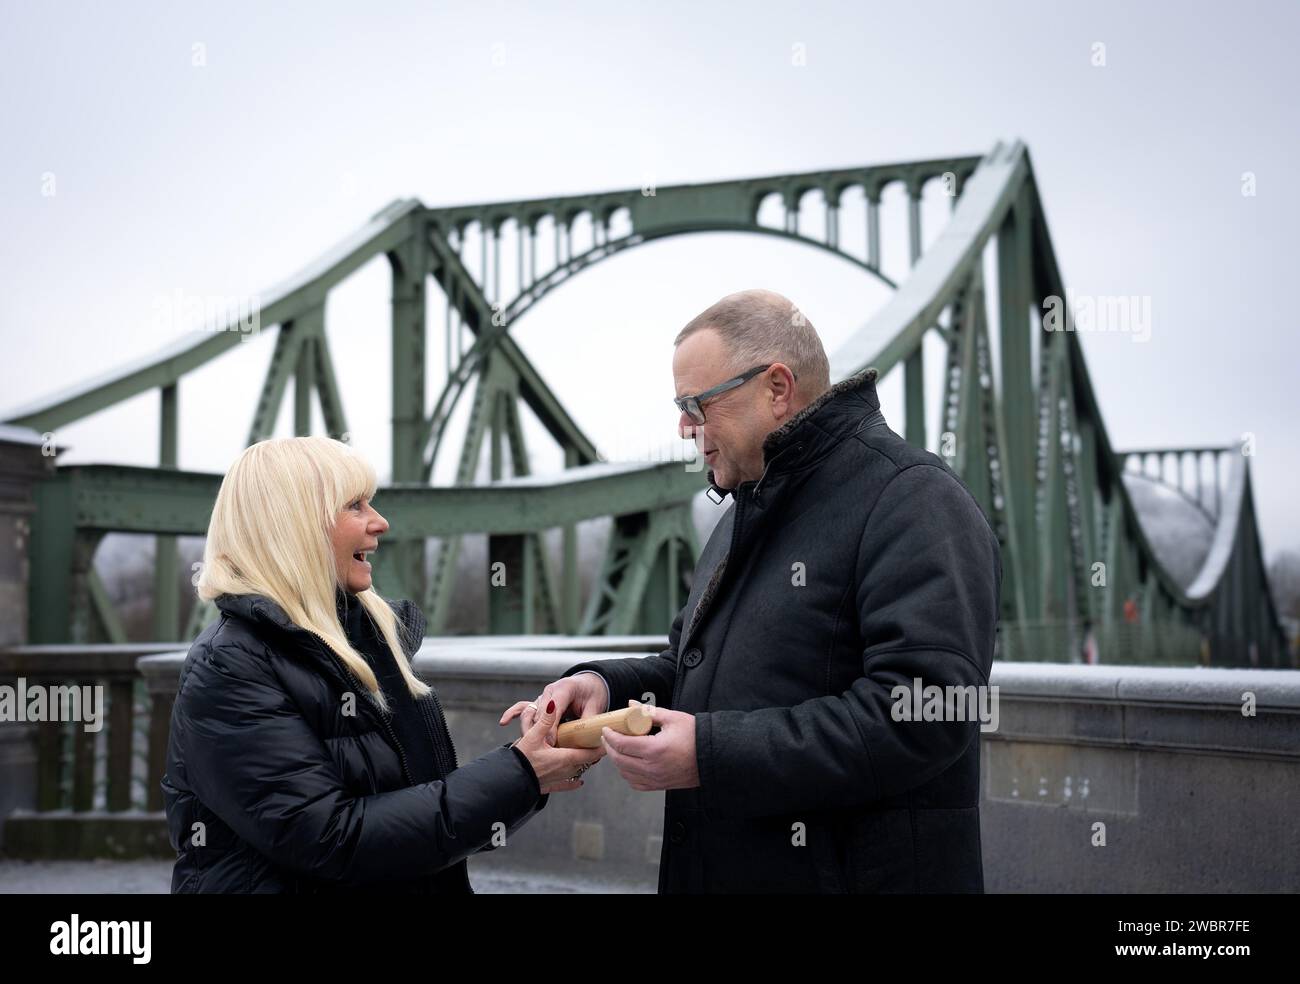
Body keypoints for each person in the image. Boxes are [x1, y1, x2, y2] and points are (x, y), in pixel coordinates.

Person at [503, 289, 1002, 893]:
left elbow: (927, 712)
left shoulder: (913, 498)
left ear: (777, 388)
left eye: (696, 404)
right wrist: (605, 686)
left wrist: (710, 755)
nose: (684, 426)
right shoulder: (746, 508)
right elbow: (693, 673)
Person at [163, 436, 601, 893]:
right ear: (292, 527)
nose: (380, 523)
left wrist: (526, 772)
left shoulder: (369, 637)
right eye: (356, 506)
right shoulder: (229, 667)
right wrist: (518, 772)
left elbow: (418, 817)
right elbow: (332, 840)